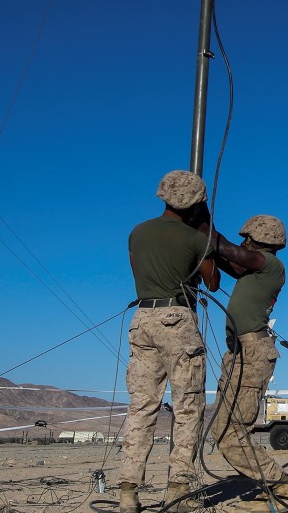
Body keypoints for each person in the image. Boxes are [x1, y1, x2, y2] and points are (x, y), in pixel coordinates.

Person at [118, 170, 220, 513]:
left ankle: (128, 491)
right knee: (187, 407)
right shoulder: (194, 238)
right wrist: (204, 232)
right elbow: (213, 281)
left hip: (143, 318)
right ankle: (178, 490)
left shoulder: (138, 233)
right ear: (196, 205)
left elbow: (138, 271)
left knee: (142, 407)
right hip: (177, 320)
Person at [206, 215, 288, 512]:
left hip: (252, 353)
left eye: (247, 238)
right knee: (223, 430)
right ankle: (272, 489)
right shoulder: (252, 270)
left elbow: (231, 252)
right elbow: (229, 261)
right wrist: (208, 243)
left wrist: (203, 224)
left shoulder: (271, 265)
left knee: (233, 431)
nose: (243, 242)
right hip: (239, 354)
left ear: (261, 240)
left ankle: (283, 488)